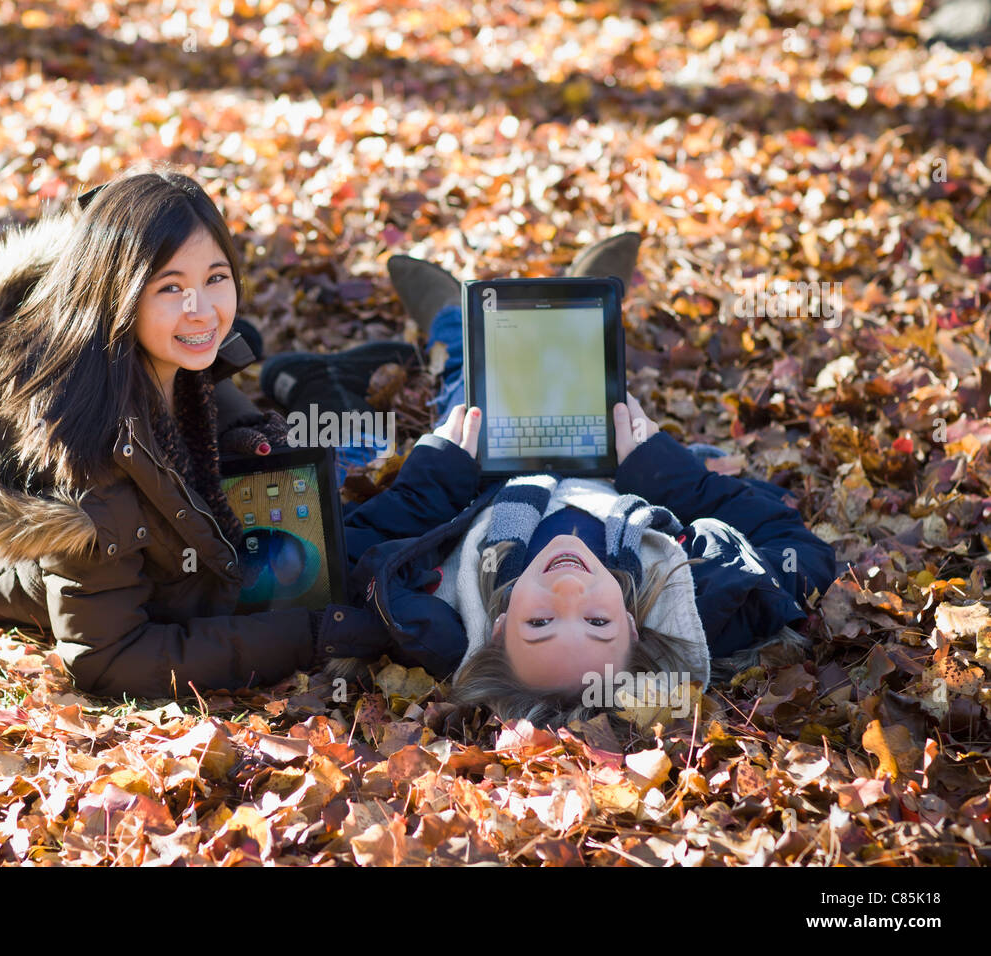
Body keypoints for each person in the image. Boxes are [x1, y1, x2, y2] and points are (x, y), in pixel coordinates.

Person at [262, 244, 838, 728]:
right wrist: (666, 471)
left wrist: (432, 480)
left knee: (471, 382)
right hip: (616, 472)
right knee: (600, 388)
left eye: (539, 624)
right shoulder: (695, 601)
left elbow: (336, 563)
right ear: (634, 627)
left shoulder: (440, 615)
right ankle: (581, 306)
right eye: (597, 623)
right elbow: (804, 552)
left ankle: (448, 317)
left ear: (499, 627)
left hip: (484, 476)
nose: (570, 595)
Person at [0, 168, 393, 700]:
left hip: (166, 563)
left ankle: (326, 380)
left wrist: (244, 437)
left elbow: (196, 411)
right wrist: (310, 636)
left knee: (359, 519)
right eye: (170, 287)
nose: (200, 309)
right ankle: (334, 377)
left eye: (216, 278)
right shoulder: (82, 453)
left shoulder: (159, 359)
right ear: (117, 296)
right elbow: (112, 659)